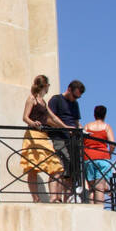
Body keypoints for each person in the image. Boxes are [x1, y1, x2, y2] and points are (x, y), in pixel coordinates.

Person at [20, 75, 68, 203]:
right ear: (45, 85)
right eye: (48, 86)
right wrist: (32, 122)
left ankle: (53, 198)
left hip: (43, 136)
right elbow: (25, 117)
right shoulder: (32, 99)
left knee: (56, 166)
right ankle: (36, 198)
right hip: (33, 136)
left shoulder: (43, 102)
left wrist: (66, 127)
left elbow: (53, 118)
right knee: (32, 168)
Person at [47, 80, 85, 201]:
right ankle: (55, 198)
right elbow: (49, 119)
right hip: (59, 137)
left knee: (72, 170)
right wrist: (64, 127)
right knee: (59, 166)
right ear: (69, 89)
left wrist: (80, 130)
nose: (75, 99)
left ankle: (67, 200)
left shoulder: (75, 104)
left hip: (73, 140)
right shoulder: (56, 100)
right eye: (74, 96)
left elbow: (76, 122)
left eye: (78, 97)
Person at [82, 104, 115, 205]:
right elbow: (112, 144)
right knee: (100, 188)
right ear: (105, 115)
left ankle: (92, 211)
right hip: (103, 158)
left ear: (94, 114)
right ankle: (100, 211)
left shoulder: (87, 126)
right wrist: (109, 154)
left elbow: (81, 142)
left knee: (91, 188)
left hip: (88, 158)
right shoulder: (106, 127)